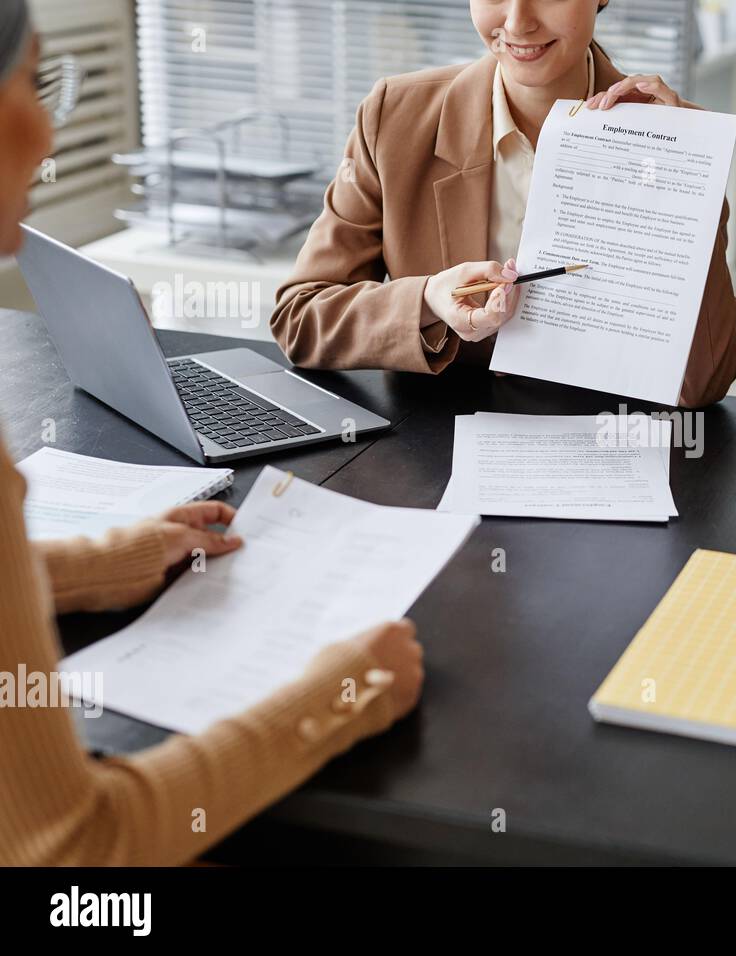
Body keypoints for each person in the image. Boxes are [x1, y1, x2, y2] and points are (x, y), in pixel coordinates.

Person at [0, 0, 424, 865]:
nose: (46, 134)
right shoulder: (398, 111)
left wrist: (94, 565)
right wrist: (339, 697)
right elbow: (74, 859)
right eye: (30, 79)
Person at [271, 0, 736, 408]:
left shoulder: (667, 136)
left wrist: (690, 181)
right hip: (434, 444)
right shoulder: (394, 115)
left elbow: (703, 386)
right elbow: (301, 318)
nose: (519, 22)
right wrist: (428, 299)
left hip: (609, 447)